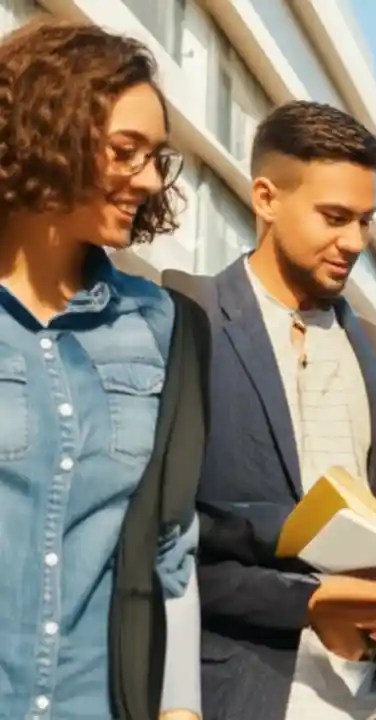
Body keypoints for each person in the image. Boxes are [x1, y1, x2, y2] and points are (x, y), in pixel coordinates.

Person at [167, 101, 376, 720]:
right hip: (233, 696)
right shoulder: (184, 323)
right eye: (334, 217)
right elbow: (164, 553)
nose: (354, 242)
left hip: (374, 697)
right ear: (266, 198)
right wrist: (310, 601)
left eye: (366, 221)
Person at [0, 21, 207, 720]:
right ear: (46, 132)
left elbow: (172, 543)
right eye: (126, 152)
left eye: (157, 159)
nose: (149, 181)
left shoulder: (163, 327)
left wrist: (180, 709)